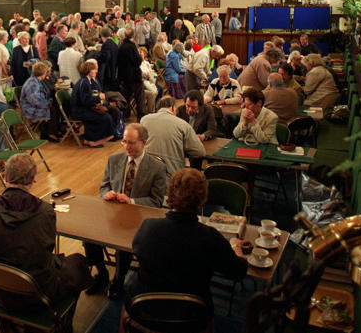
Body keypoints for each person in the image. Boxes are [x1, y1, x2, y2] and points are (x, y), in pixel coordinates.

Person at [0, 153, 92, 310]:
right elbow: (46, 250)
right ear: (33, 178)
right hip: (39, 293)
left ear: (5, 176)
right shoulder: (45, 212)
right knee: (79, 262)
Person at [126, 168, 247, 320]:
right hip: (191, 315)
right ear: (203, 198)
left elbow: (137, 251)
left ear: (169, 194)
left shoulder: (148, 227)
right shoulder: (210, 237)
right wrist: (236, 246)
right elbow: (238, 272)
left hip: (144, 310)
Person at [84, 123, 167, 299]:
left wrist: (132, 201)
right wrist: (107, 194)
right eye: (124, 142)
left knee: (124, 245)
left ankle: (118, 279)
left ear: (144, 143)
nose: (127, 147)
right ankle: (102, 273)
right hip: (113, 214)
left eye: (131, 143)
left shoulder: (156, 167)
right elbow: (104, 185)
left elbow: (157, 201)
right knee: (88, 237)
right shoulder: (114, 160)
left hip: (139, 218)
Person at [140, 96, 205, 175]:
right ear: (173, 108)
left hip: (146, 173)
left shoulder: (144, 120)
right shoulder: (183, 125)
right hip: (172, 177)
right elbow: (200, 152)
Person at [71, 60, 116, 147]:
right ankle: (93, 141)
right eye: (94, 69)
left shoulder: (85, 81)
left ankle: (89, 139)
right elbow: (85, 101)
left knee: (102, 115)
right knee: (105, 117)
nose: (96, 71)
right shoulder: (84, 82)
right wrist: (98, 97)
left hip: (80, 109)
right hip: (79, 111)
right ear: (89, 70)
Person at [20, 62, 61, 142]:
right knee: (52, 110)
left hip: (34, 105)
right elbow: (35, 101)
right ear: (43, 73)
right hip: (30, 109)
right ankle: (50, 133)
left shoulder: (35, 80)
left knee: (55, 106)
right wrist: (48, 102)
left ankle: (50, 131)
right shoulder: (32, 83)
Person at [116, 28, 145, 119]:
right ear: (134, 36)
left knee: (126, 97)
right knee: (139, 97)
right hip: (134, 76)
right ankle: (140, 115)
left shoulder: (121, 45)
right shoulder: (132, 46)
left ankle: (125, 115)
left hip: (123, 76)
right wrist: (141, 57)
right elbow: (137, 61)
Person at [138, 47, 159, 113]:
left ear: (144, 54)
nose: (139, 54)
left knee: (159, 89)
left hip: (149, 81)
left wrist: (151, 75)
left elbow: (151, 72)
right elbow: (142, 74)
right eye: (138, 52)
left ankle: (155, 107)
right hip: (142, 83)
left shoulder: (146, 63)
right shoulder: (137, 64)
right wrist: (147, 75)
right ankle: (151, 111)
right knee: (153, 93)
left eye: (141, 52)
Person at [98, 27, 119, 91]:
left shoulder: (106, 44)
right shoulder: (114, 43)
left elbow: (105, 57)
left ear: (101, 35)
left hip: (108, 71)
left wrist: (98, 56)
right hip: (113, 69)